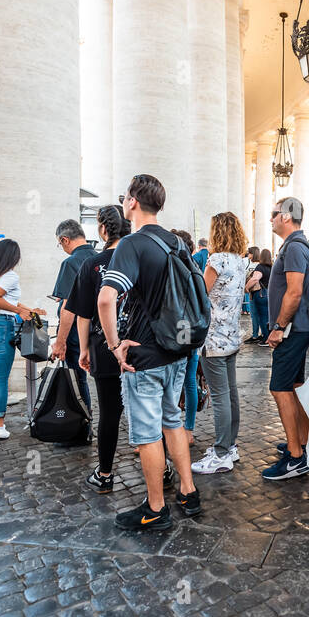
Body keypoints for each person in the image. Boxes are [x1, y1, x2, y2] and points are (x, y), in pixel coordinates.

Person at [97, 174, 201, 530]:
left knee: (146, 435)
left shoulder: (131, 244)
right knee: (172, 419)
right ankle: (188, 491)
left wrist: (114, 346)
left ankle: (155, 509)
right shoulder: (176, 242)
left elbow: (106, 298)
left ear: (132, 203)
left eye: (125, 197)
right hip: (176, 350)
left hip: (144, 353)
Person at [66, 204, 130, 493]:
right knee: (152, 409)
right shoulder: (140, 256)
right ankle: (163, 469)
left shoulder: (92, 264)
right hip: (141, 345)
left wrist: (83, 349)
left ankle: (105, 474)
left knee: (109, 411)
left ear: (103, 229)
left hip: (104, 344)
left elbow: (83, 314)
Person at [260, 197, 309, 481]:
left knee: (279, 388)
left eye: (273, 214)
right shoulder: (296, 245)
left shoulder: (294, 247)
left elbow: (294, 292)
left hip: (292, 329)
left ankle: (296, 457)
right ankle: (301, 444)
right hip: (300, 328)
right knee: (294, 386)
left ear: (285, 216)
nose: (270, 218)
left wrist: (279, 326)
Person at [192, 212, 250, 475]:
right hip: (231, 335)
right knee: (231, 393)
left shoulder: (215, 260)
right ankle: (230, 445)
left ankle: (221, 452)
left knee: (220, 396)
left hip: (213, 336)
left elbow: (200, 293)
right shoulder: (239, 261)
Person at [0, 239, 46, 438]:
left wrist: (28, 309)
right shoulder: (10, 276)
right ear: (14, 257)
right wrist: (18, 311)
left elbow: (3, 298)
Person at [48, 219, 96, 411]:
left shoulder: (70, 263)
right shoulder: (99, 258)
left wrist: (60, 342)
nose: (62, 248)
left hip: (77, 334)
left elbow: (68, 308)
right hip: (101, 331)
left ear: (65, 239)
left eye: (60, 244)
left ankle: (83, 424)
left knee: (78, 380)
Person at [169, 228, 203, 443]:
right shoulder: (196, 267)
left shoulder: (174, 267)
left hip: (180, 328)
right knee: (188, 379)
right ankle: (188, 430)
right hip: (195, 328)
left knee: (175, 379)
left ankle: (172, 430)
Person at [245, 248, 272, 343]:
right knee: (267, 317)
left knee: (262, 317)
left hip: (260, 294)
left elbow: (255, 279)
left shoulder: (260, 267)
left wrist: (246, 288)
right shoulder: (271, 267)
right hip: (269, 293)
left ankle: (265, 339)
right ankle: (266, 335)